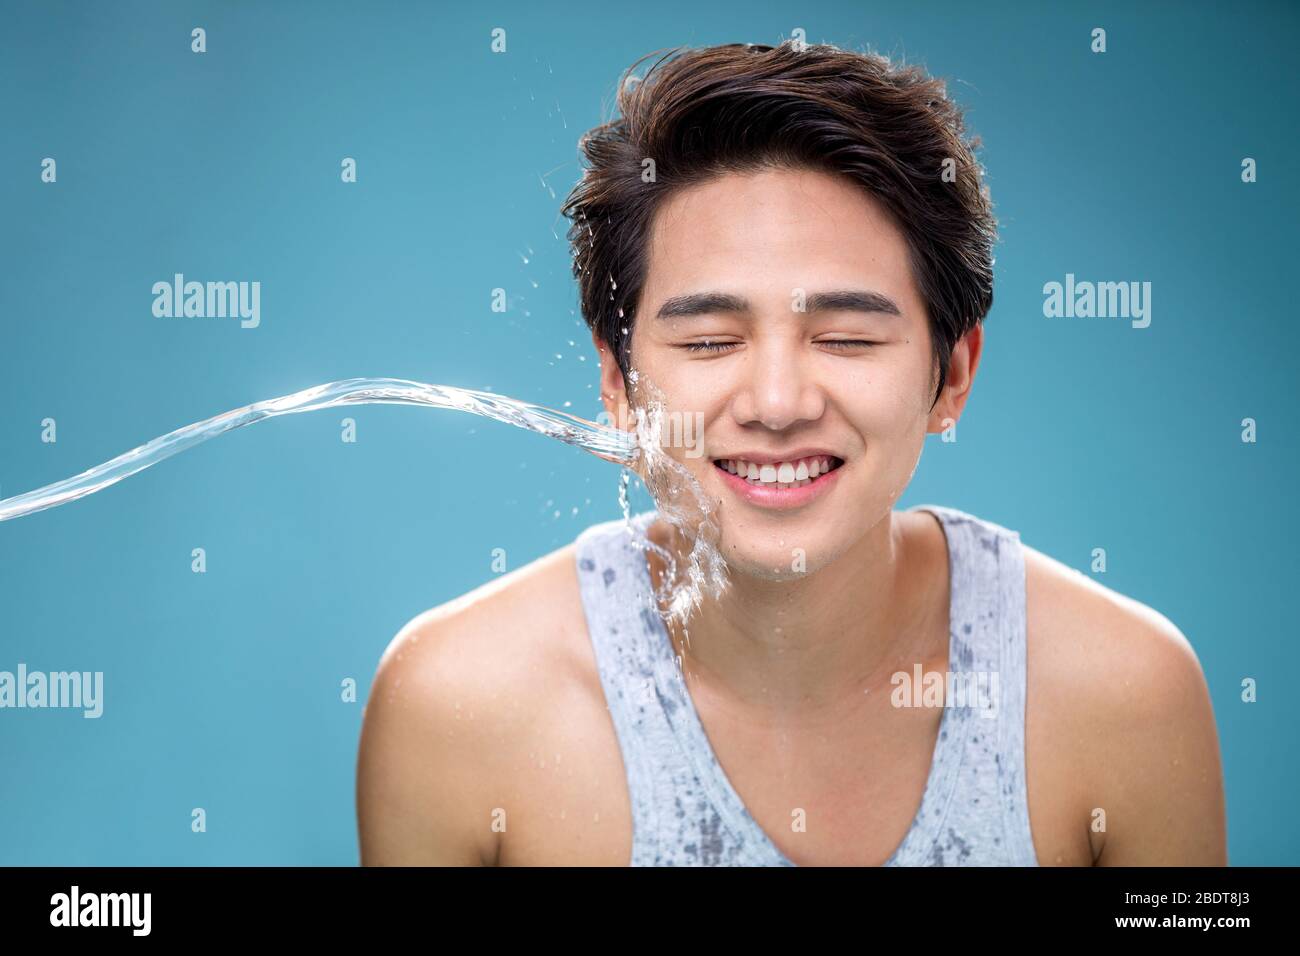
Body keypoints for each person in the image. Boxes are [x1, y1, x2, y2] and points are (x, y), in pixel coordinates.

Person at [356, 41, 1226, 866]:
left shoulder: (1126, 695)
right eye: (707, 343)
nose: (777, 405)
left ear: (952, 372)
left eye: (845, 337)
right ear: (616, 381)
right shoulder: (457, 708)